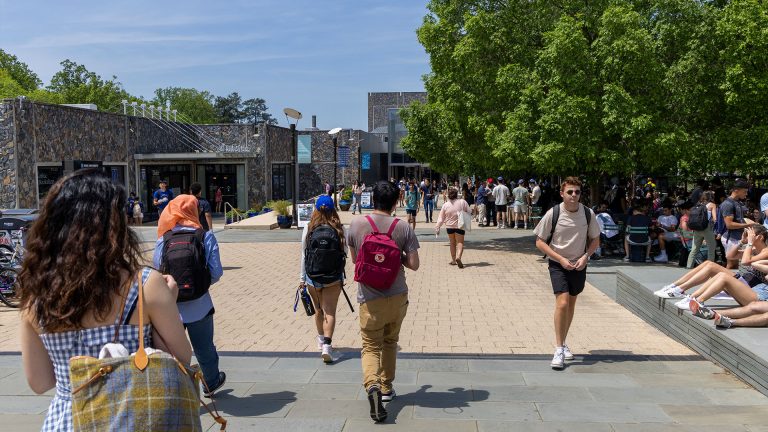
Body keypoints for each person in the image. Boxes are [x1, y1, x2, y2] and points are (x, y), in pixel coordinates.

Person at [19, 169, 192, 431]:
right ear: (114, 226)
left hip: (68, 420)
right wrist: (170, 300)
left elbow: (40, 382)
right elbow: (180, 359)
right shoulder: (145, 285)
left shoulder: (35, 294)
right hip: (133, 418)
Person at [346, 180, 420, 422]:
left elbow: (356, 261)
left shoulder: (356, 224)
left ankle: (372, 387)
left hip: (369, 297)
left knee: (370, 346)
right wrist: (394, 256)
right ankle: (387, 388)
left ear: (372, 198)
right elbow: (415, 265)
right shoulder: (403, 227)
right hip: (397, 293)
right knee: (390, 341)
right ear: (397, 200)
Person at [153, 194, 226, 398]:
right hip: (200, 305)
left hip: (170, 308)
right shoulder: (205, 236)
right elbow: (217, 272)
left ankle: (172, 388)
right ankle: (211, 383)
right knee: (204, 348)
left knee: (171, 351)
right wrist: (199, 284)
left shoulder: (164, 238)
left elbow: (157, 270)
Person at [534, 177, 599, 370]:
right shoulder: (553, 213)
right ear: (562, 193)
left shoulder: (588, 214)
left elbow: (595, 239)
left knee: (571, 304)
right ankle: (559, 348)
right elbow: (539, 241)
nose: (573, 195)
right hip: (558, 263)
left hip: (579, 264)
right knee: (561, 303)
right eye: (570, 192)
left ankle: (563, 341)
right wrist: (560, 259)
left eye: (577, 192)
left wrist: (586, 256)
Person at [300, 195, 345, 363]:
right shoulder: (339, 228)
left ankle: (320, 340)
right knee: (330, 311)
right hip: (333, 276)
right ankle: (327, 345)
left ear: (316, 209)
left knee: (318, 310)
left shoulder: (309, 227)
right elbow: (344, 252)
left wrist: (302, 278)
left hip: (313, 276)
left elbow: (303, 255)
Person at [435, 188, 471, 268]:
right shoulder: (462, 202)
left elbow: (441, 218)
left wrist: (438, 226)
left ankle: (454, 260)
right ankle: (459, 257)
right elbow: (469, 211)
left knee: (452, 243)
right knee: (460, 242)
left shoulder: (445, 205)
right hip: (460, 226)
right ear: (457, 194)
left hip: (449, 227)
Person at [720, 179, 751, 269]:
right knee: (731, 264)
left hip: (737, 238)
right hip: (731, 238)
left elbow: (739, 220)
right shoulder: (728, 204)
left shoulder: (737, 202)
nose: (746, 194)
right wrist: (748, 225)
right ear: (736, 190)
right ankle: (723, 281)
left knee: (735, 265)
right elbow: (729, 225)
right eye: (744, 191)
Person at [687, 191, 718, 268]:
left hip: (697, 228)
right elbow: (715, 219)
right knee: (711, 247)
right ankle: (709, 267)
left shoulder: (698, 204)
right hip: (707, 228)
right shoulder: (712, 205)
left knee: (694, 248)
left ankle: (689, 266)